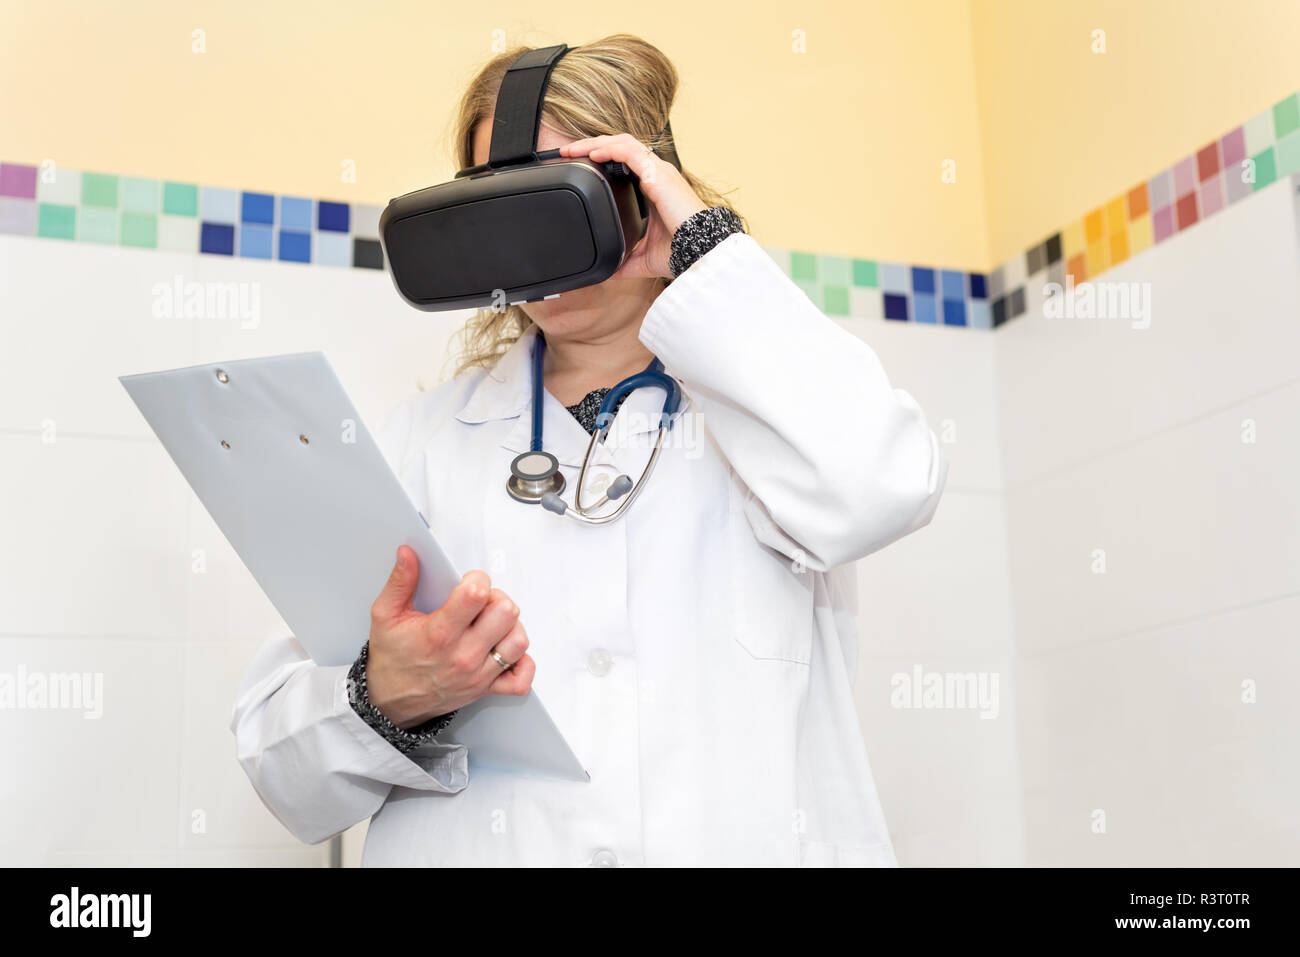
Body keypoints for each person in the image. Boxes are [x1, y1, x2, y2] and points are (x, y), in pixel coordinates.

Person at [231, 34, 947, 867]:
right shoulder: (423, 443)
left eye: (564, 192)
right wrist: (381, 696)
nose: (534, 240)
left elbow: (884, 484)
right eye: (504, 203)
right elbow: (284, 769)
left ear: (646, 189)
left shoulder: (768, 401)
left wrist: (703, 250)